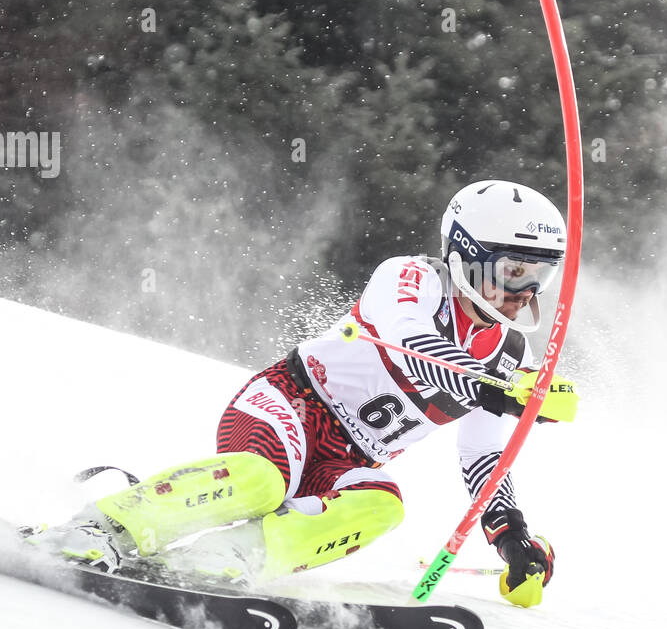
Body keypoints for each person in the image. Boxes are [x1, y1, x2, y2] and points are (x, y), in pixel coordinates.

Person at [28, 180, 578, 607]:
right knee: (262, 481)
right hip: (291, 404)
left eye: (540, 278)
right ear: (464, 254)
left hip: (352, 458)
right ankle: (103, 527)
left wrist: (512, 536)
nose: (524, 293)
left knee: (384, 506)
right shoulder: (411, 278)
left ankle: (225, 558)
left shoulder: (510, 357)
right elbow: (407, 341)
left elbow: (484, 455)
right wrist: (499, 390)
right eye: (513, 271)